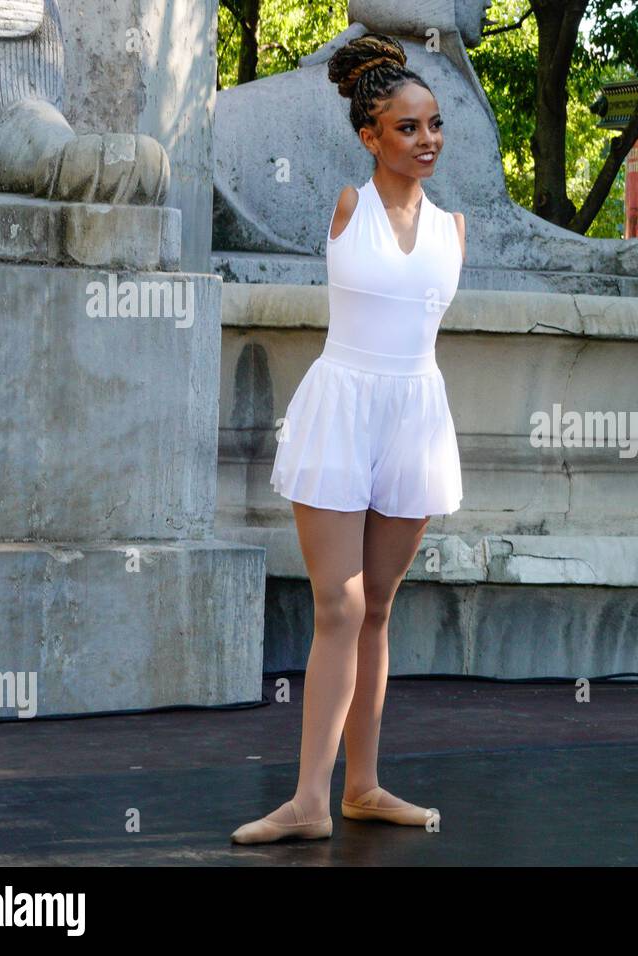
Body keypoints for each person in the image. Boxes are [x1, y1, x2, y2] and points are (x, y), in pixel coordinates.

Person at [231, 33, 466, 844]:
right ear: (371, 137)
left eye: (435, 125)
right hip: (341, 408)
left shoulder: (454, 229)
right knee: (340, 602)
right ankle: (307, 800)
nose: (428, 139)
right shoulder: (346, 206)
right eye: (409, 128)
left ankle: (362, 787)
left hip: (415, 413)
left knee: (379, 611)